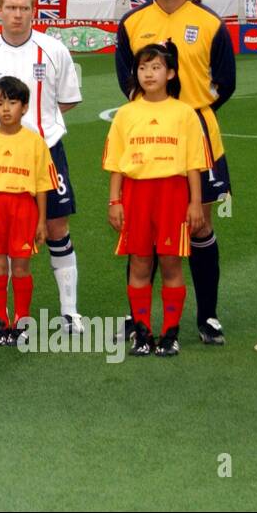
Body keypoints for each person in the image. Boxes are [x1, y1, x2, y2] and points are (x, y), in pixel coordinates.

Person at [115, 0, 235, 345]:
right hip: (147, 137)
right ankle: (140, 320)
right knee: (141, 234)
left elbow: (225, 83)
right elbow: (126, 82)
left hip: (198, 134)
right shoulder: (132, 23)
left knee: (199, 226)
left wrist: (189, 114)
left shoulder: (209, 22)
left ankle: (208, 316)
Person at [0, 0, 83, 331]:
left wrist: (37, 126)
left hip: (45, 152)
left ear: (34, 10)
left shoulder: (53, 50)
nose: (17, 14)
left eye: (24, 8)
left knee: (55, 227)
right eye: (11, 8)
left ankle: (69, 311)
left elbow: (67, 98)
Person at [104, 41, 210, 357]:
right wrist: (114, 201)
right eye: (142, 68)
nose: (148, 74)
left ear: (171, 73)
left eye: (156, 67)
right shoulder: (126, 114)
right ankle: (143, 332)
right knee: (139, 261)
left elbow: (194, 163)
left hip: (172, 193)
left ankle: (170, 333)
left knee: (170, 261)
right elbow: (116, 164)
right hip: (136, 194)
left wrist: (195, 202)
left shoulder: (185, 114)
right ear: (135, 73)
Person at [0, 76, 54, 347]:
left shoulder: (35, 142)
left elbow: (42, 185)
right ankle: (1, 321)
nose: (6, 109)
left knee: (21, 265)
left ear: (24, 107)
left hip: (23, 208)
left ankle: (22, 322)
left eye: (12, 102)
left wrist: (41, 221)